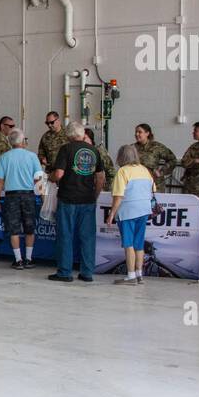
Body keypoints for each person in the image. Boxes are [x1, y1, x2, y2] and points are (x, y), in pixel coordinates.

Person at [47, 121, 105, 282]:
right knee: (87, 237)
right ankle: (87, 272)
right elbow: (100, 177)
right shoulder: (94, 151)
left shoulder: (66, 149)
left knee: (65, 235)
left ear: (69, 135)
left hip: (68, 198)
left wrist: (50, 177)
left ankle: (65, 272)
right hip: (87, 199)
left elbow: (58, 174)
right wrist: (95, 195)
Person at [0, 128, 41, 269]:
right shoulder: (32, 156)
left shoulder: (4, 157)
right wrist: (43, 197)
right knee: (29, 228)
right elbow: (39, 179)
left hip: (11, 197)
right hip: (28, 196)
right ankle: (28, 258)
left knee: (13, 229)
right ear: (23, 141)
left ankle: (18, 260)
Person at [107, 144, 155, 284]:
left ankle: (130, 275)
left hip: (128, 211)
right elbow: (153, 189)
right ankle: (140, 274)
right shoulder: (145, 170)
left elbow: (118, 197)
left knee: (128, 244)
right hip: (144, 210)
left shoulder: (122, 171)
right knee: (139, 244)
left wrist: (111, 214)